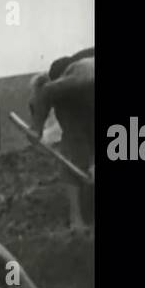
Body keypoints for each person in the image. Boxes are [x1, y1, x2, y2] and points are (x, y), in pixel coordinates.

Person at [29, 50, 95, 228]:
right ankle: (76, 219)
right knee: (76, 152)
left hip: (87, 101)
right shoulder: (84, 78)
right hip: (70, 101)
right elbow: (47, 91)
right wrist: (36, 128)